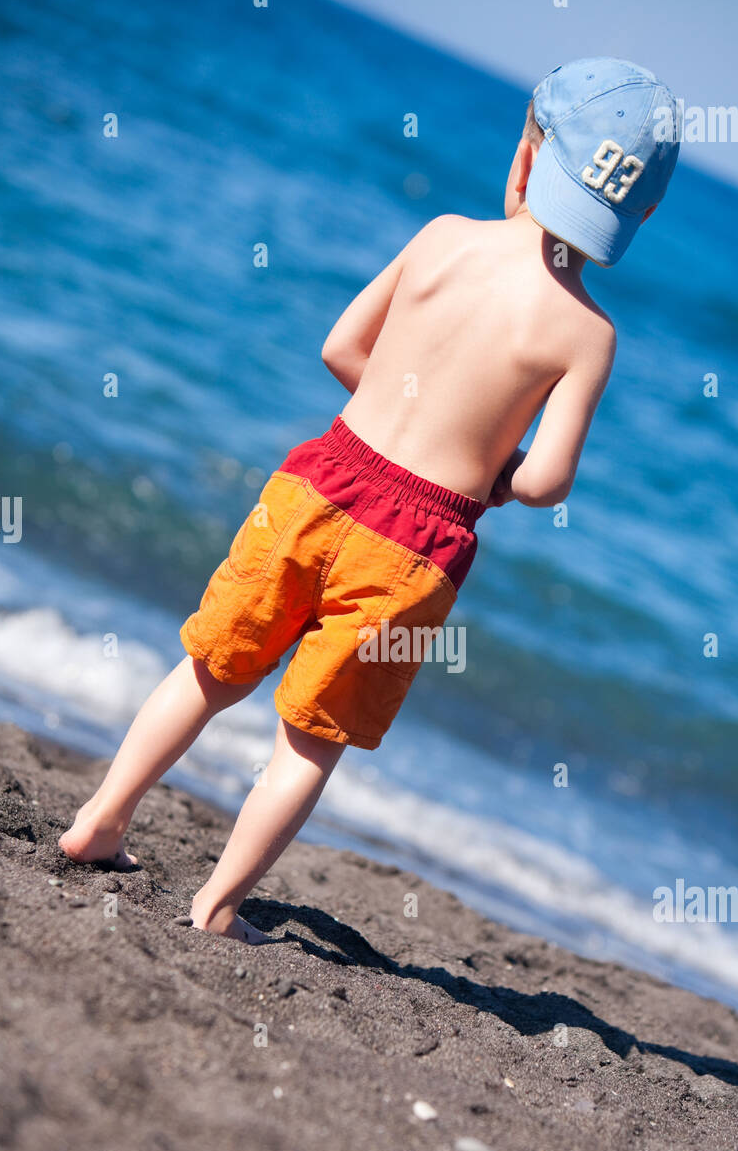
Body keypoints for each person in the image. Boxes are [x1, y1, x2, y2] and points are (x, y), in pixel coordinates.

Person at [60, 58, 680, 943]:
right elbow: (546, 482)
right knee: (310, 739)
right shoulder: (587, 333)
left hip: (321, 479)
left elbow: (341, 347)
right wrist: (491, 475)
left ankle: (102, 819)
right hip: (417, 548)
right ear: (640, 215)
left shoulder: (439, 238)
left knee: (209, 669)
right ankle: (217, 906)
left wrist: (396, 399)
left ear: (527, 152)